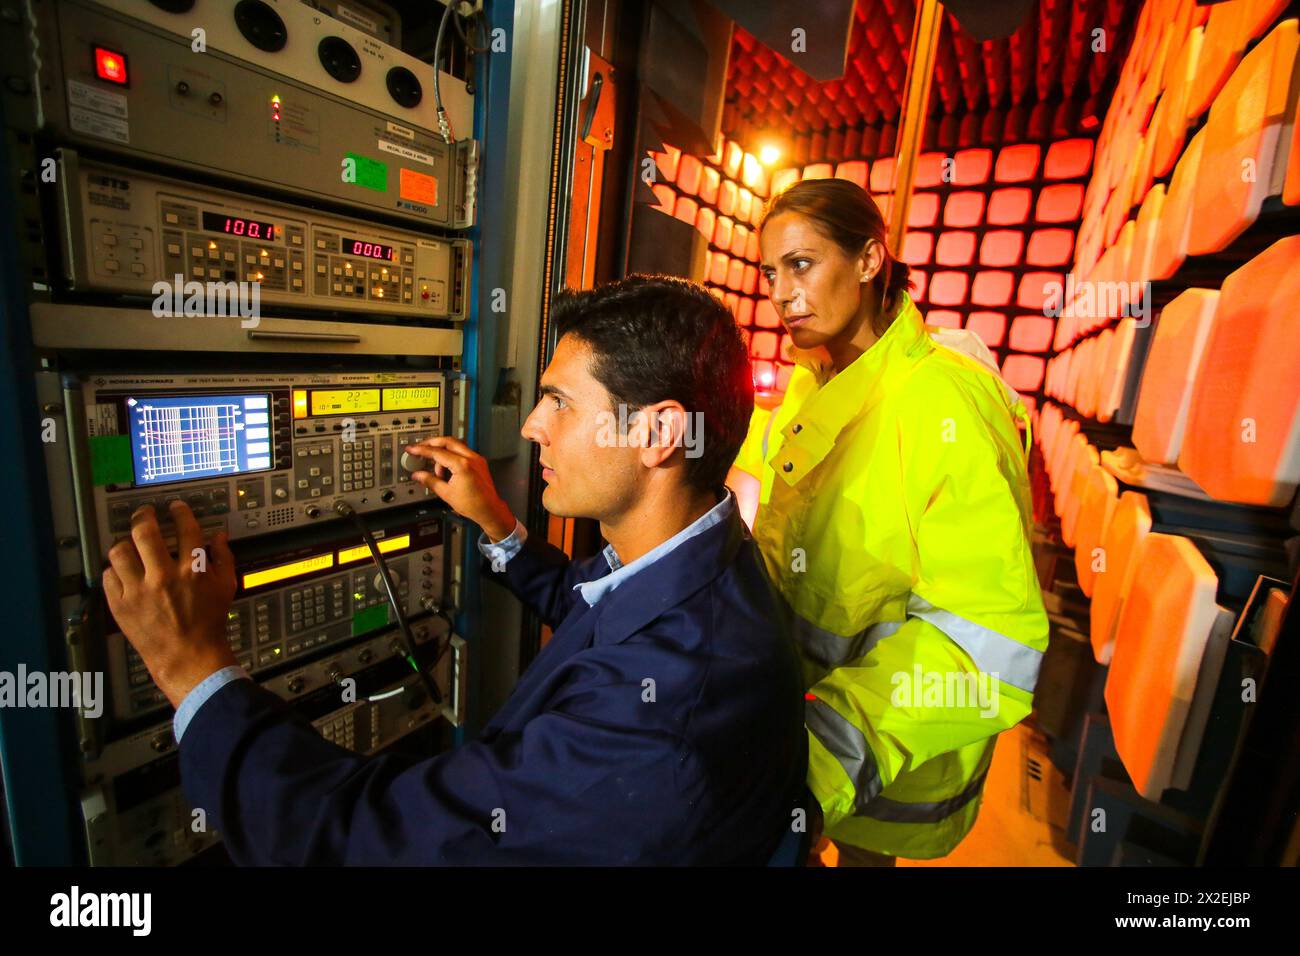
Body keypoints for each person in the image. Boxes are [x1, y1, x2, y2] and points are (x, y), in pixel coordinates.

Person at [105, 275, 807, 865]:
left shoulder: (655, 731)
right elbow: (606, 621)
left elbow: (355, 843)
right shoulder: (709, 560)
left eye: (559, 402)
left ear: (656, 433)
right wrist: (497, 526)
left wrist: (194, 668)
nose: (531, 426)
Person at [728, 178, 1049, 866]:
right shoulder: (816, 380)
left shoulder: (945, 406)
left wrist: (826, 757)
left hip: (882, 753)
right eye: (770, 272)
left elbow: (984, 638)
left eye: (803, 264)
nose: (781, 293)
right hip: (801, 727)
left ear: (871, 260)